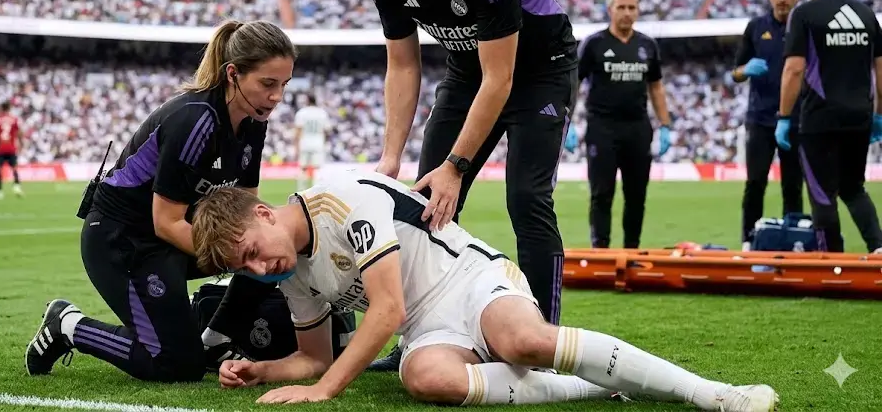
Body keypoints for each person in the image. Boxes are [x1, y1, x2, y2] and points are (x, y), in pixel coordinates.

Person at [190, 173, 780, 411]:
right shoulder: (290, 271)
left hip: (471, 280)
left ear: (264, 212)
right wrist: (261, 372)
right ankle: (590, 387)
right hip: (429, 328)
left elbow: (386, 311)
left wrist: (323, 391)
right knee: (425, 380)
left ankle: (714, 395)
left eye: (251, 249)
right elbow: (315, 354)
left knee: (520, 339)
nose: (259, 267)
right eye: (244, 266)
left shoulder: (341, 198)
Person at [353, 0, 577, 370]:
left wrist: (456, 164)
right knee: (425, 205)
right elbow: (403, 67)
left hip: (540, 71)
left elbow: (502, 79)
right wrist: (391, 158)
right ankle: (421, 338)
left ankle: (542, 341)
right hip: (466, 73)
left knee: (526, 199)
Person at [24, 20, 299, 382]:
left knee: (269, 250)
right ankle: (67, 324)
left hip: (170, 240)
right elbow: (165, 223)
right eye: (268, 84)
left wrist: (269, 247)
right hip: (123, 241)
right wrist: (236, 259)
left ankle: (215, 341)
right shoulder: (196, 120)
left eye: (283, 85)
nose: (277, 96)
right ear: (233, 74)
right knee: (175, 364)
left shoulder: (254, 121)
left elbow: (246, 212)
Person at [776, 0, 882, 254]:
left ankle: (831, 262)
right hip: (860, 116)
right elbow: (881, 68)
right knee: (854, 188)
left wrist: (784, 117)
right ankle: (878, 248)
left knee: (822, 195)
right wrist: (879, 114)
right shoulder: (864, 13)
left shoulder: (805, 14)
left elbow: (794, 69)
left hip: (820, 118)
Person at [564, 0, 672, 249]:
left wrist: (666, 125)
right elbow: (573, 83)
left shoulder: (647, 45)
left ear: (638, 10)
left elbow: (656, 86)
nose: (626, 13)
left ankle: (632, 251)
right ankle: (601, 250)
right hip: (602, 128)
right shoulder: (594, 44)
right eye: (621, 7)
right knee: (602, 194)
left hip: (638, 128)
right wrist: (566, 121)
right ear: (610, 10)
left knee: (637, 195)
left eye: (631, 8)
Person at [731, 0, 804, 250]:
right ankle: (749, 240)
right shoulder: (755, 27)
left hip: (796, 119)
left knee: (793, 185)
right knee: (755, 182)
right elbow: (735, 73)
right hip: (760, 121)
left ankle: (796, 238)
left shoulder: (805, 27)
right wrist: (745, 70)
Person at [293, 94, 331, 192]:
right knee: (317, 168)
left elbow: (298, 131)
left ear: (307, 101)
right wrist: (324, 141)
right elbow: (327, 130)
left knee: (303, 168)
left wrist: (296, 146)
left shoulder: (302, 113)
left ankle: (301, 191)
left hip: (304, 142)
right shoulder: (322, 113)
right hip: (318, 142)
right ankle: (316, 191)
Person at [0, 101, 24, 200]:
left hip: (1, 148)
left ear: (1, 108)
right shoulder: (14, 119)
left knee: (0, 170)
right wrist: (21, 144)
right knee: (14, 168)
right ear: (9, 108)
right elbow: (19, 133)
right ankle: (16, 186)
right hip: (11, 147)